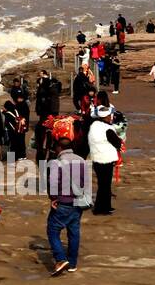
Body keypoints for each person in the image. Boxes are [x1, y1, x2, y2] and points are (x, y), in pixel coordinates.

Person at [46, 136, 89, 274]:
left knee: (53, 230)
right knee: (74, 232)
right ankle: (72, 264)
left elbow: (52, 183)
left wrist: (53, 198)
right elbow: (86, 181)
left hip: (63, 202)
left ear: (59, 148)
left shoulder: (56, 162)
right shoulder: (82, 160)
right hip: (78, 202)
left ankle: (60, 258)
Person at [87, 95, 121, 215]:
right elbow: (117, 142)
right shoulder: (107, 129)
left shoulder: (94, 126)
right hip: (105, 160)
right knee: (104, 186)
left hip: (96, 159)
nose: (111, 117)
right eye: (109, 115)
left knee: (103, 185)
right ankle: (100, 209)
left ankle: (106, 206)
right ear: (106, 117)